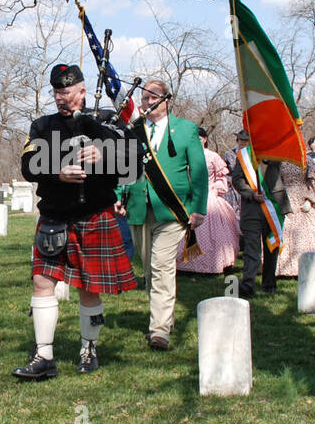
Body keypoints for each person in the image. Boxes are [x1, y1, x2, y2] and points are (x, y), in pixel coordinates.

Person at [16, 63, 141, 380]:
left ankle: (88, 349)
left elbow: (136, 164)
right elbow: (29, 165)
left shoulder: (104, 124)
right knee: (42, 281)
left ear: (82, 91)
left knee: (89, 287)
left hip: (93, 216)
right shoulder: (42, 126)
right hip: (54, 216)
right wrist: (58, 171)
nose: (61, 97)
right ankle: (44, 356)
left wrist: (106, 155)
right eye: (57, 92)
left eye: (67, 92)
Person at [115, 80, 207, 350]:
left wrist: (199, 207)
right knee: (148, 270)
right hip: (138, 209)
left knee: (161, 266)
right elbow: (124, 167)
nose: (146, 100)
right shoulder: (134, 130)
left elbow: (199, 171)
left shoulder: (186, 129)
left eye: (153, 95)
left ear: (167, 100)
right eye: (144, 96)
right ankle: (164, 319)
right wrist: (118, 196)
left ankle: (159, 331)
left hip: (172, 210)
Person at [229, 129, 290, 296]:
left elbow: (275, 169)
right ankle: (248, 284)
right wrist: (250, 193)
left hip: (274, 205)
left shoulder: (273, 152)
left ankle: (269, 282)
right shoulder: (243, 156)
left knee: (271, 246)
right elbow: (237, 179)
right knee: (251, 248)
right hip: (251, 207)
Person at [176, 126, 238, 275]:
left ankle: (213, 263)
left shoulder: (213, 156)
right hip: (188, 195)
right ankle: (187, 264)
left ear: (205, 139)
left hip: (209, 195)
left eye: (199, 139)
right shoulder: (185, 155)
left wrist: (215, 189)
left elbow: (222, 177)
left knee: (211, 230)